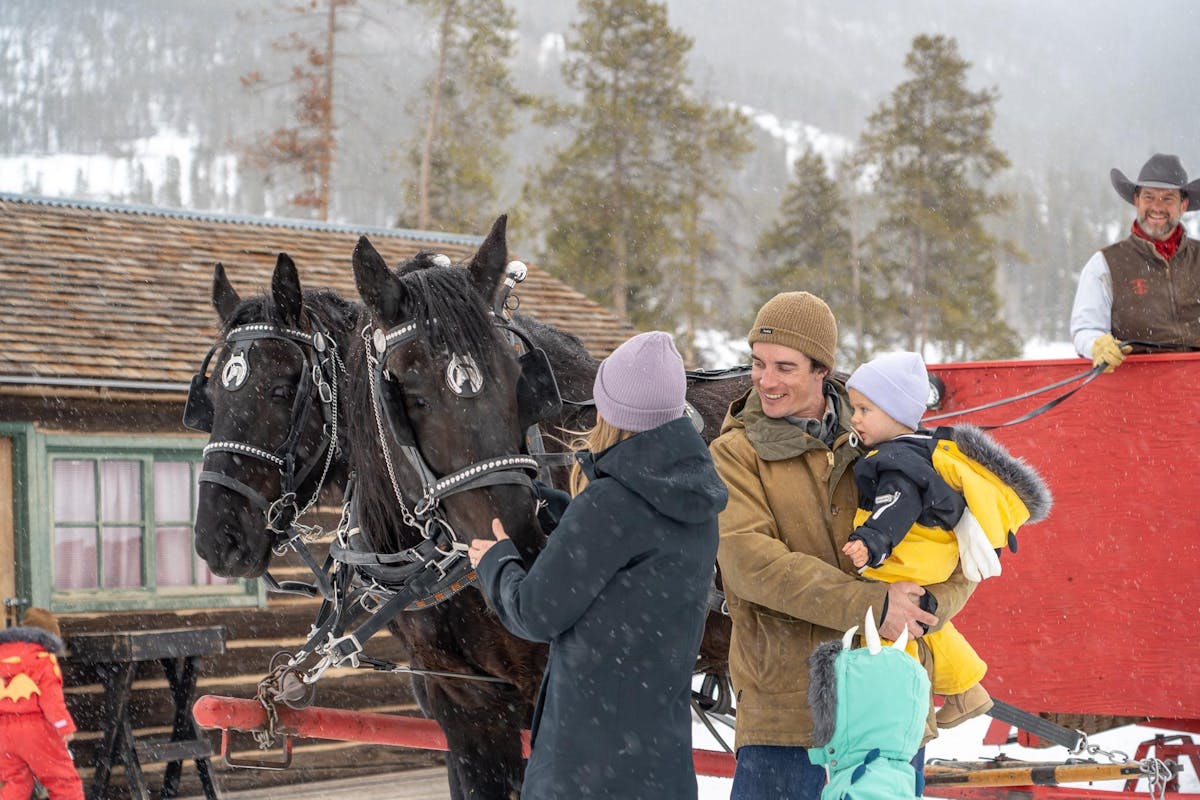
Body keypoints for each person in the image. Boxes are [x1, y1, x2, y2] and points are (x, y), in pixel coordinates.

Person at [710, 291, 977, 800]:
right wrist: (875, 605)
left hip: (890, 705)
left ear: (822, 370)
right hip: (788, 709)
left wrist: (924, 607)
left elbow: (959, 554)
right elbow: (750, 565)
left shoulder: (895, 439)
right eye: (758, 363)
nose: (766, 381)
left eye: (785, 367)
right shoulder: (735, 455)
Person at [467, 330, 728, 800]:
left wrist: (495, 561)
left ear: (610, 408)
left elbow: (534, 612)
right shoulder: (695, 500)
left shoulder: (610, 504)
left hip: (586, 770)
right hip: (659, 768)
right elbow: (634, 562)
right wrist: (566, 514)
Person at [842, 351, 1052, 729]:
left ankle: (896, 705)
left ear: (894, 413)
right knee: (924, 619)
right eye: (853, 408)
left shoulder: (896, 458)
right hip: (932, 554)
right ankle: (967, 691)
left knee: (887, 620)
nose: (854, 418)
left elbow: (897, 503)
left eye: (864, 410)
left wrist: (871, 542)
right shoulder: (923, 449)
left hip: (906, 552)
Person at [1070, 153, 1200, 371]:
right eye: (1149, 197)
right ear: (1137, 201)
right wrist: (1096, 345)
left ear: (1183, 205)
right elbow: (1085, 330)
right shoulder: (1104, 264)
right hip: (1134, 386)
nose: (1157, 206)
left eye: (1168, 198)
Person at [0, 607, 85, 800]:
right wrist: (63, 725)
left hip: (3, 731)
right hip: (35, 728)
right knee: (63, 782)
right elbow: (51, 698)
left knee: (16, 782)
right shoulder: (42, 658)